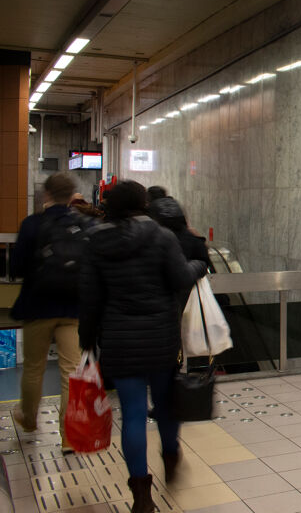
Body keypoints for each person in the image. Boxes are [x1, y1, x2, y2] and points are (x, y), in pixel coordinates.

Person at [79, 181, 206, 511]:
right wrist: (198, 265)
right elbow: (181, 278)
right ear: (143, 204)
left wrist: (87, 339)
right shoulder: (161, 236)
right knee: (165, 405)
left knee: (133, 414)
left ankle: (141, 496)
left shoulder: (95, 241)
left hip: (119, 341)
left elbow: (90, 298)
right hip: (161, 338)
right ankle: (171, 456)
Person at [9, 173, 88, 450]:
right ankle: (68, 437)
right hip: (73, 307)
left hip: (38, 305)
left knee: (34, 367)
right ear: (71, 196)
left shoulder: (32, 224)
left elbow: (16, 268)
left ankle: (29, 419)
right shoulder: (80, 225)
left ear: (46, 195)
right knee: (71, 371)